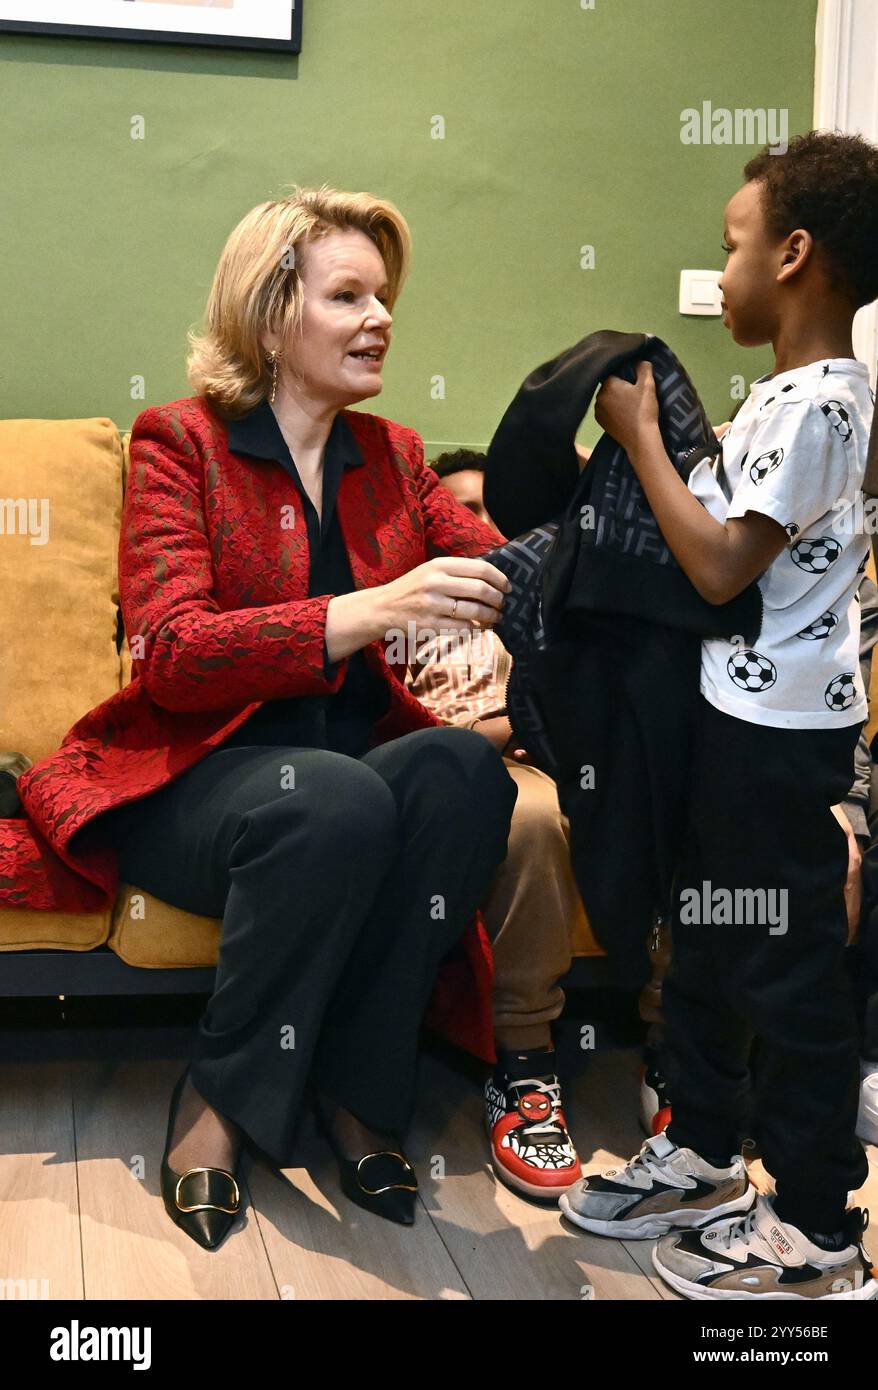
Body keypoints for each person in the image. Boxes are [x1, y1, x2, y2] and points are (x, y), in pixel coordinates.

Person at [97, 186, 518, 1248]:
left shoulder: (392, 453)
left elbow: (500, 561)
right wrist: (361, 609)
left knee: (461, 774)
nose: (380, 318)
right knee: (330, 793)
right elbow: (171, 652)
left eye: (383, 298)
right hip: (196, 779)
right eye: (347, 295)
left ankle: (359, 1091)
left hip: (349, 788)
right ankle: (218, 1101)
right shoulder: (179, 443)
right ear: (273, 312)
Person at [560, 130, 878, 1300]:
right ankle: (700, 1148)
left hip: (777, 743)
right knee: (702, 936)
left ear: (793, 254)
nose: (723, 268)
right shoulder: (793, 400)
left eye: (733, 245)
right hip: (733, 720)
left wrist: (640, 439)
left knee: (787, 973)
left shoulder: (820, 407)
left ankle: (813, 1227)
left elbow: (717, 569)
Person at [407, 448, 592, 1201]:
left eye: (488, 511)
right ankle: (524, 1068)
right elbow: (399, 731)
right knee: (533, 816)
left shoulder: (552, 603)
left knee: (677, 807)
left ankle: (678, 1052)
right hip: (478, 771)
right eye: (457, 512)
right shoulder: (412, 614)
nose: (476, 528)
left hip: (573, 758)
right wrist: (501, 728)